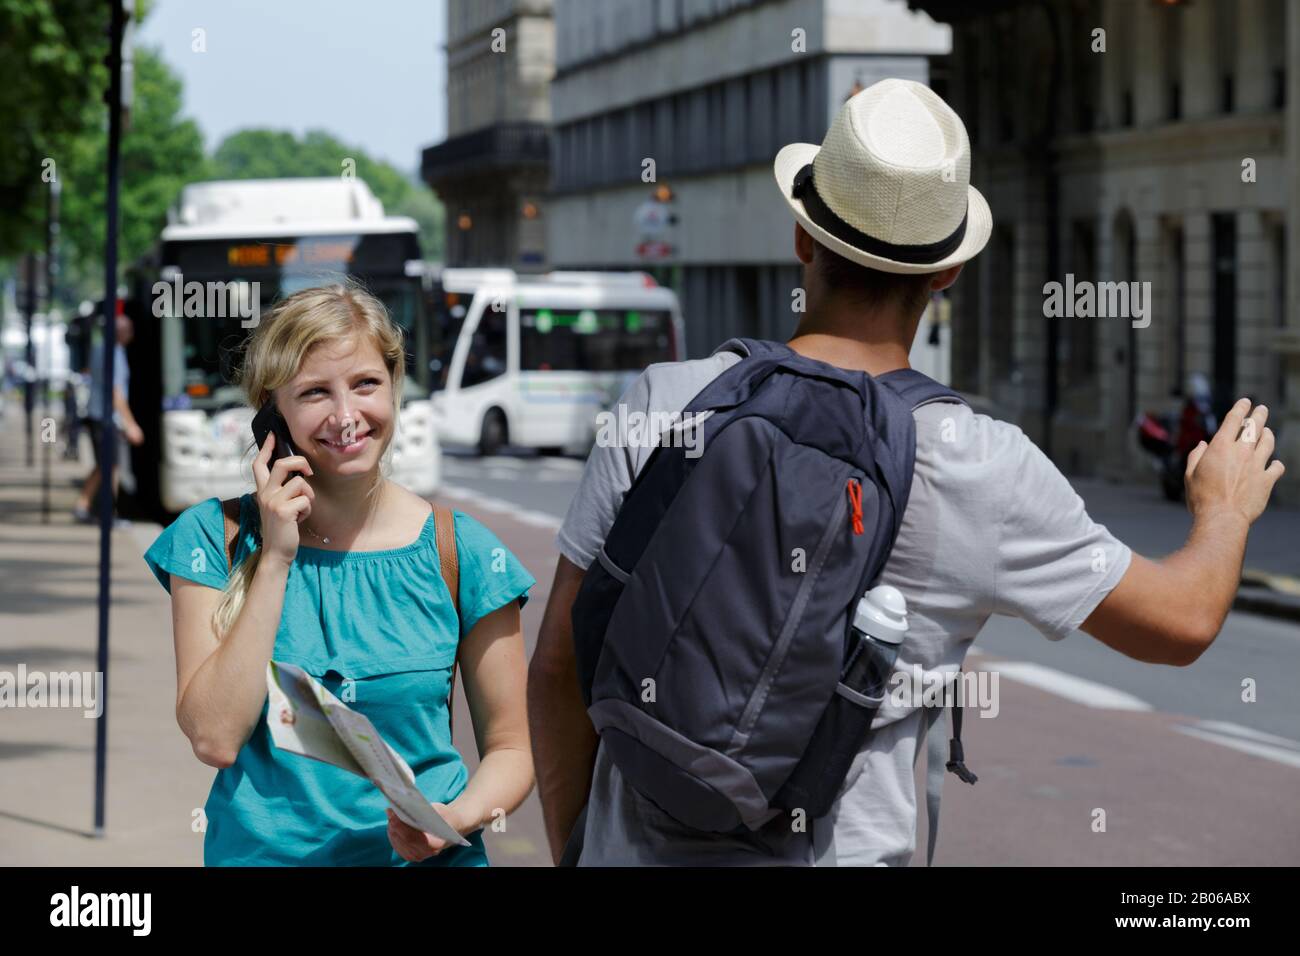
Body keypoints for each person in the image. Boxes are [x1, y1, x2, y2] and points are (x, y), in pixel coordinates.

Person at [527, 78, 1285, 866]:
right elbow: (1183, 622)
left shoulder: (667, 400)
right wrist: (1223, 507)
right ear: (947, 273)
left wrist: (583, 851)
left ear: (802, 239)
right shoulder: (983, 466)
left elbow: (557, 668)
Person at [143, 282, 537, 866]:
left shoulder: (465, 554)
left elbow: (510, 748)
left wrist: (455, 818)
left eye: (365, 384)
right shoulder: (213, 539)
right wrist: (275, 558)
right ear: (274, 414)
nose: (346, 416)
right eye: (315, 393)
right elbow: (214, 738)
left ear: (394, 386)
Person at [73, 310, 143, 523]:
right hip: (106, 418)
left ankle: (84, 505)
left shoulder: (102, 348)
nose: (131, 333)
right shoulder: (113, 353)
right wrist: (130, 424)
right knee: (110, 466)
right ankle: (107, 514)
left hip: (100, 416)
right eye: (128, 330)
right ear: (119, 332)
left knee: (105, 465)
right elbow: (116, 392)